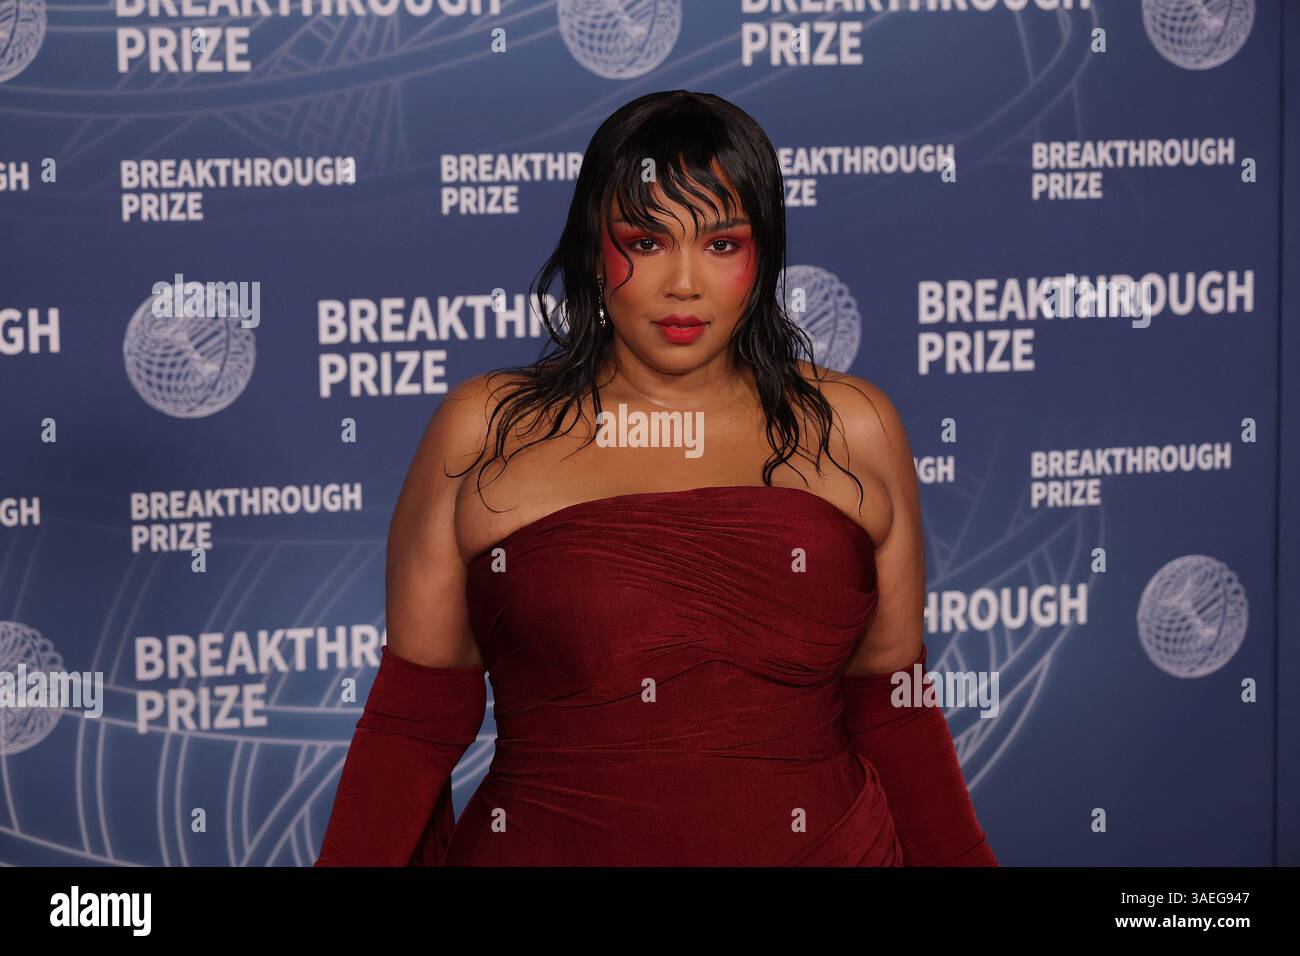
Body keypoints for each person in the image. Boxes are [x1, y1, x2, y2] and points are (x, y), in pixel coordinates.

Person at [315, 90, 997, 867]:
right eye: (645, 240)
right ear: (590, 249)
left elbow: (893, 713)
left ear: (763, 254)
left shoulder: (855, 426)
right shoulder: (483, 428)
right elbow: (414, 724)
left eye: (720, 243)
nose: (683, 283)